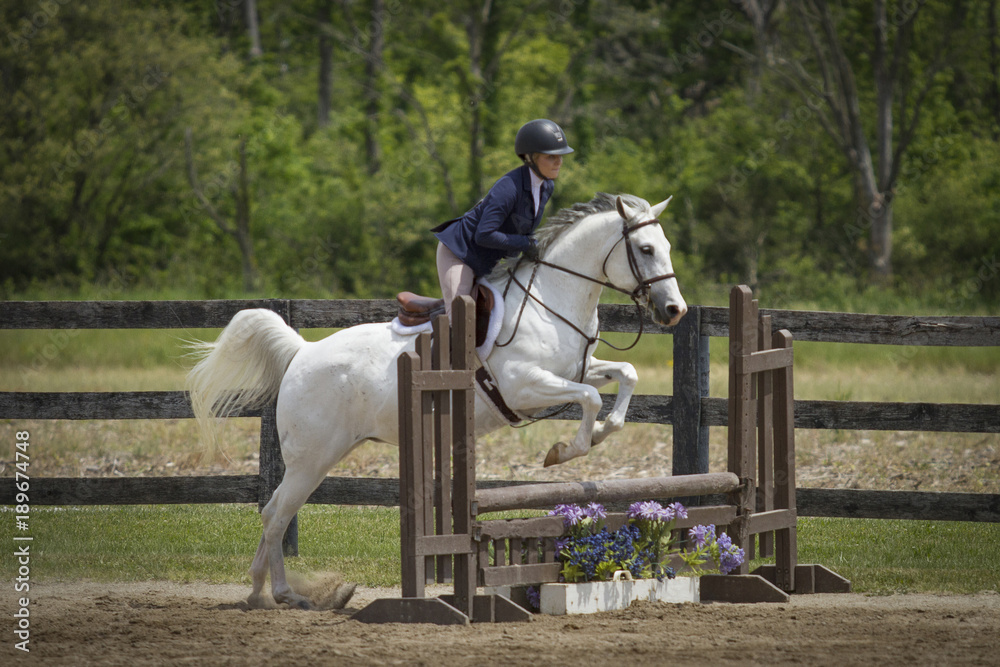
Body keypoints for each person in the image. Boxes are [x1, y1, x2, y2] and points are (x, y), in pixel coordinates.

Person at [432, 118, 574, 317]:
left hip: (490, 260)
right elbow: (484, 234)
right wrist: (525, 243)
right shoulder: (508, 188)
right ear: (530, 158)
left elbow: (522, 230)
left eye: (560, 156)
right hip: (460, 254)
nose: (559, 162)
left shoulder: (547, 186)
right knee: (461, 318)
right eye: (551, 156)